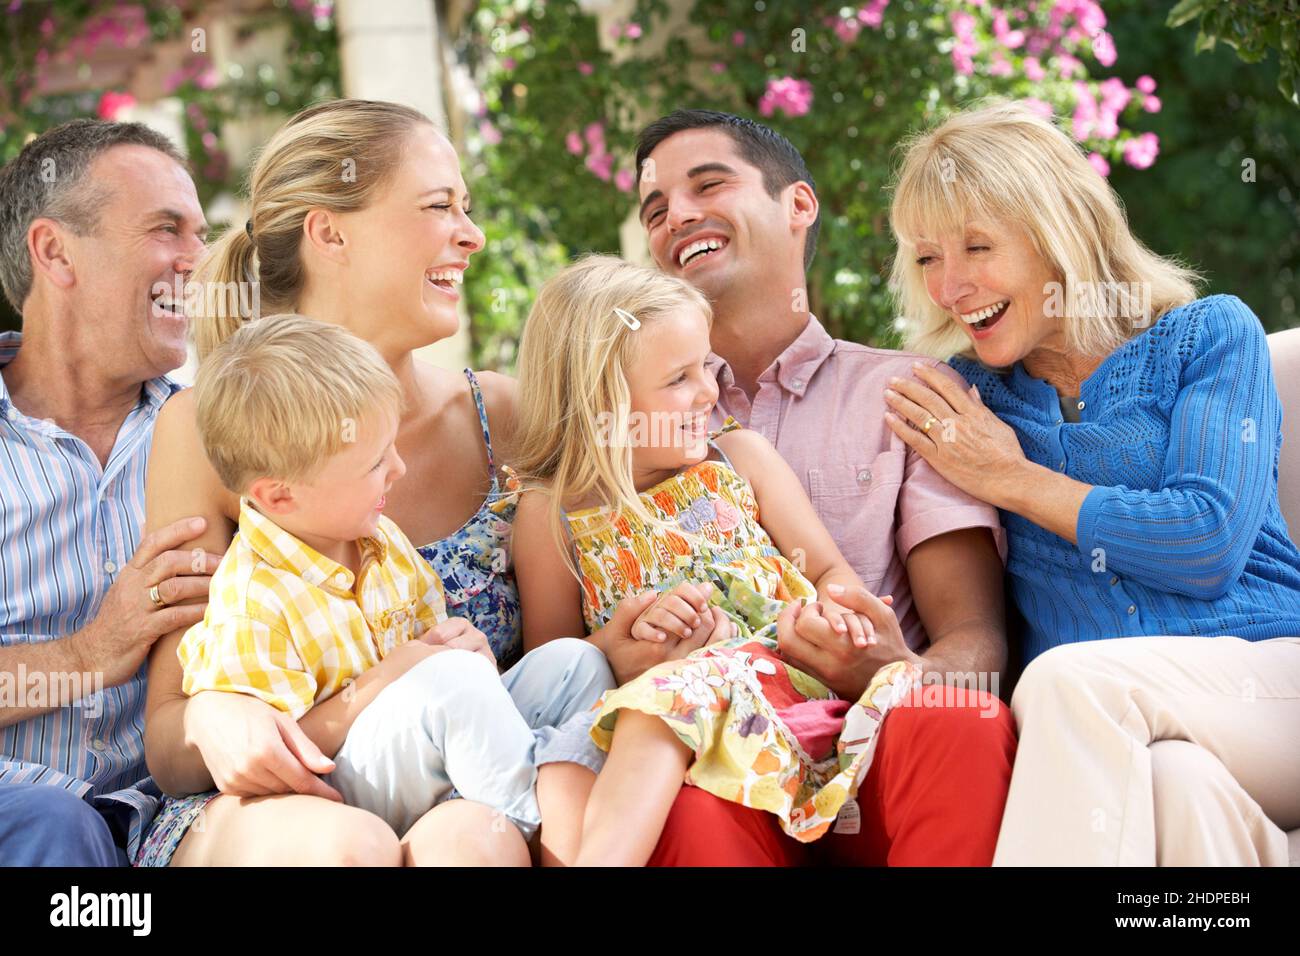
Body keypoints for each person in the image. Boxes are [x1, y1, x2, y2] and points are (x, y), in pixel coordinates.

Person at [141, 99, 622, 867]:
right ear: (329, 232)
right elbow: (170, 747)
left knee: (477, 843)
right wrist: (214, 717)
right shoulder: (207, 427)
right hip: (278, 805)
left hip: (464, 788)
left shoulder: (507, 414)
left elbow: (563, 662)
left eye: (467, 208)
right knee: (346, 847)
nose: (473, 235)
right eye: (439, 207)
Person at [885, 100, 1300, 865]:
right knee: (1179, 790)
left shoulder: (1208, 335)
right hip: (1132, 734)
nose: (949, 286)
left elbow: (1205, 541)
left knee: (1065, 684)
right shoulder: (962, 398)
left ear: (1060, 233)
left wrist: (1010, 477)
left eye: (977, 246)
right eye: (926, 257)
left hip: (1271, 685)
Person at [628, 108, 1017, 866]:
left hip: (880, 751)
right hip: (720, 763)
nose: (677, 216)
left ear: (797, 205)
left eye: (709, 185)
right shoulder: (626, 424)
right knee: (683, 807)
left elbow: (977, 642)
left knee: (961, 718)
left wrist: (889, 671)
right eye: (654, 211)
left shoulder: (908, 394)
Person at [513, 256, 921, 866]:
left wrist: (834, 612)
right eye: (678, 378)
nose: (709, 389)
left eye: (706, 364)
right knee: (608, 736)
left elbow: (828, 573)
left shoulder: (739, 460)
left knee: (671, 701)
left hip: (788, 683)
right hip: (669, 715)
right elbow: (558, 668)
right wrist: (627, 644)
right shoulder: (551, 516)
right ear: (600, 404)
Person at [157, 314, 546, 858]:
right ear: (280, 497)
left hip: (418, 753)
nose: (399, 469)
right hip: (330, 784)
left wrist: (462, 652)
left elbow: (435, 658)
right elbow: (282, 754)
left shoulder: (381, 542)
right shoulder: (254, 601)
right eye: (374, 462)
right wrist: (404, 674)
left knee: (570, 665)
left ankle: (554, 781)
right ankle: (542, 825)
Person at [0, 119, 219, 865]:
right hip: (21, 818)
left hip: (166, 816)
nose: (197, 259)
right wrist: (94, 650)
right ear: (55, 252)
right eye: (167, 230)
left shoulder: (216, 430)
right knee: (55, 826)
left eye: (200, 233)